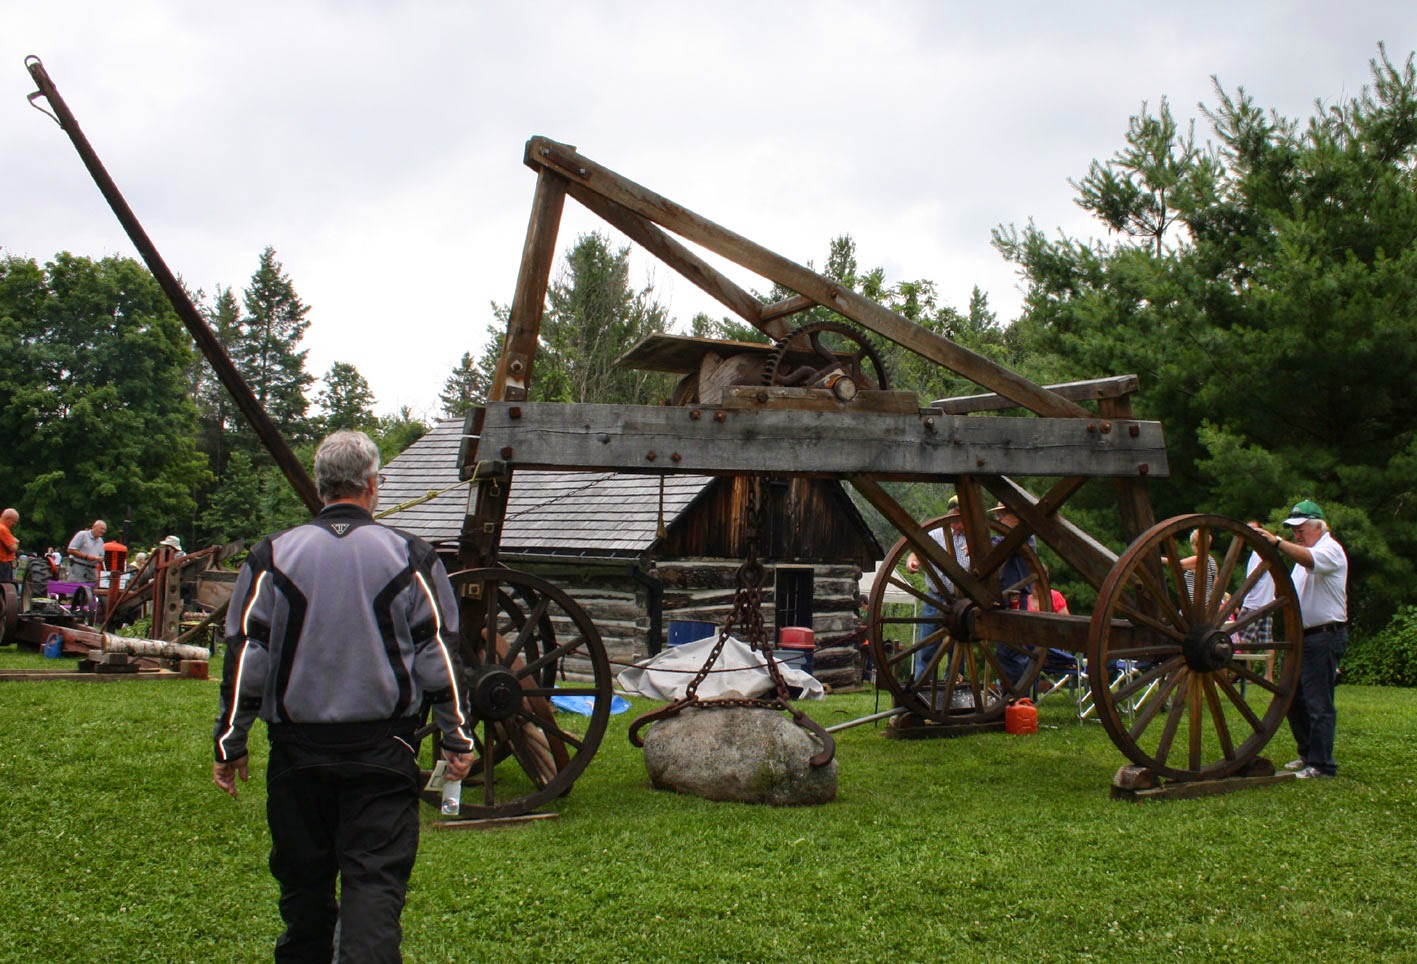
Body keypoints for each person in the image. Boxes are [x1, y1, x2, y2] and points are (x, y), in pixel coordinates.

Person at [212, 430, 476, 961]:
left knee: (303, 888)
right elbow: (439, 655)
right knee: (375, 887)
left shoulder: (271, 557)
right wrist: (457, 737)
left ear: (320, 484)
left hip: (296, 752)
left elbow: (246, 657)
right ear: (373, 485)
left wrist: (230, 742)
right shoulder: (412, 557)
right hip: (383, 751)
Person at [1251, 499, 1348, 779]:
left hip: (1324, 636)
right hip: (1302, 638)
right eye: (1293, 530)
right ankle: (1307, 754)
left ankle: (1322, 765)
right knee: (1293, 699)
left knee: (1319, 703)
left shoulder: (1330, 550)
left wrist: (1278, 543)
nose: (1297, 534)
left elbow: (1309, 561)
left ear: (1318, 526)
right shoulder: (1305, 551)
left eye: (1300, 528)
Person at [906, 495, 967, 680]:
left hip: (962, 601)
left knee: (958, 651)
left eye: (961, 518)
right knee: (927, 648)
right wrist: (912, 562)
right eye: (955, 518)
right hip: (935, 599)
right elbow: (915, 553)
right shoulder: (935, 534)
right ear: (949, 515)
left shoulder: (973, 536)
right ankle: (922, 687)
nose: (958, 523)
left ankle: (955, 689)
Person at [1235, 525, 1277, 680]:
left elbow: (1253, 578)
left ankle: (1247, 673)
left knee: (1241, 638)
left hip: (1255, 602)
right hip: (1268, 601)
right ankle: (1268, 676)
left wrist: (1240, 598)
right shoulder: (1267, 551)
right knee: (1267, 640)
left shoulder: (1258, 553)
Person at [66, 519, 107, 584]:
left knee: (92, 590)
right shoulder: (82, 535)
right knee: (76, 589)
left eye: (104, 530)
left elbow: (101, 555)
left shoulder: (101, 541)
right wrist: (86, 557)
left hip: (92, 570)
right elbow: (70, 549)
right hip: (78, 567)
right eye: (101, 529)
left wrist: (100, 559)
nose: (103, 531)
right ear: (94, 527)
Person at [0, 508, 18, 584]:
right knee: (4, 587)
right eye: (14, 522)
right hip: (3, 564)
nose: (14, 525)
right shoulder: (2, 529)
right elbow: (12, 548)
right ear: (8, 519)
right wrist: (15, 542)